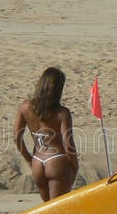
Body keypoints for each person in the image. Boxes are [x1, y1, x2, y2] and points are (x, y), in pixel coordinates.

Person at [14, 67, 79, 201]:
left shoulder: (25, 107)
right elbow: (68, 145)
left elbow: (17, 137)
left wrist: (28, 158)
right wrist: (74, 166)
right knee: (58, 210)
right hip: (57, 160)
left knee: (47, 208)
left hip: (37, 161)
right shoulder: (62, 113)